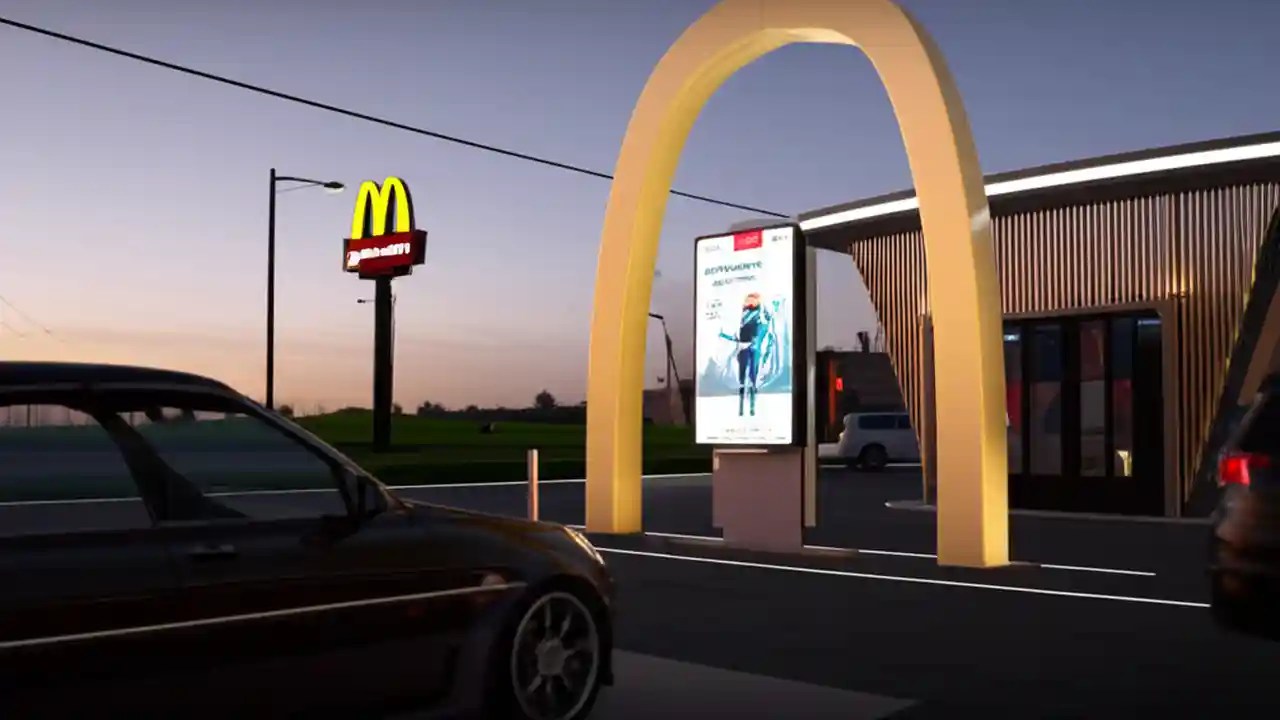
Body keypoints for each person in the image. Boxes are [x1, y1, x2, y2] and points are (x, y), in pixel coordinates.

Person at [718, 292, 774, 417]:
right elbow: (738, 337)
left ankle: (752, 408)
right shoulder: (743, 317)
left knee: (752, 377)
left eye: (751, 301)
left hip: (753, 349)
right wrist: (725, 336)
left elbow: (765, 326)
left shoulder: (760, 315)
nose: (747, 303)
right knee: (742, 379)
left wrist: (755, 340)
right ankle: (741, 409)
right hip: (743, 348)